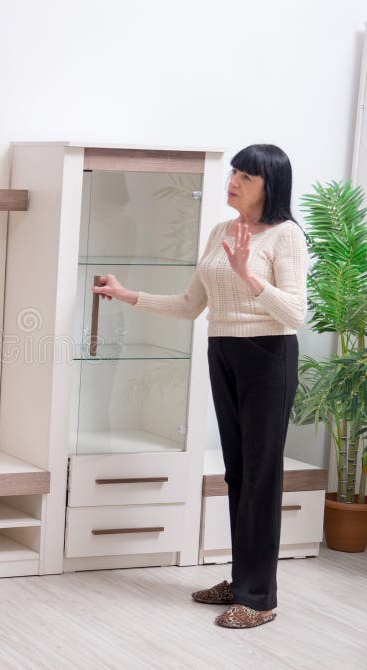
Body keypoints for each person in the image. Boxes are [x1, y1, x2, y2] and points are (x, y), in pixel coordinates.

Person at [95, 144, 308, 629]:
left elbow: (295, 312)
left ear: (268, 185)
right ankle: (241, 581)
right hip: (224, 352)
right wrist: (127, 294)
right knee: (238, 474)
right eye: (233, 171)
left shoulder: (286, 236)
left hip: (268, 357)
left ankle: (260, 599)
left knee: (262, 476)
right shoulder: (219, 231)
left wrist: (249, 277)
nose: (232, 180)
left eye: (245, 175)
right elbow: (192, 303)